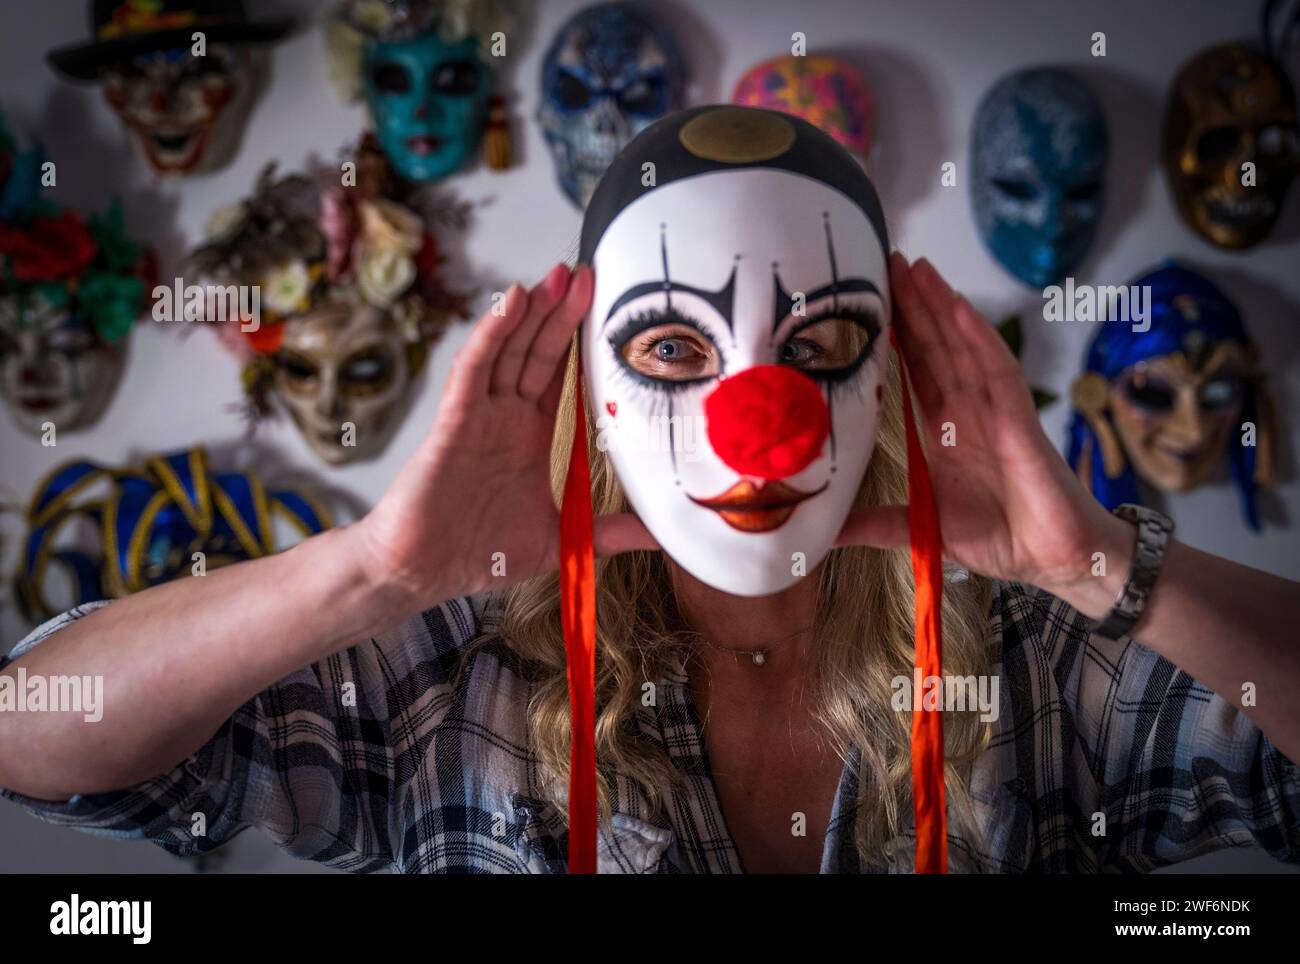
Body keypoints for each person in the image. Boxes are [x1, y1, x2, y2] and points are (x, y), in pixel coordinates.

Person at [2, 111, 1298, 874]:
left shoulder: (1035, 658)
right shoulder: (442, 676)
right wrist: (372, 576)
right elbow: (31, 739)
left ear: (886, 379)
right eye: (675, 348)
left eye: (822, 346)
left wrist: (1095, 564)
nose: (760, 419)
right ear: (598, 396)